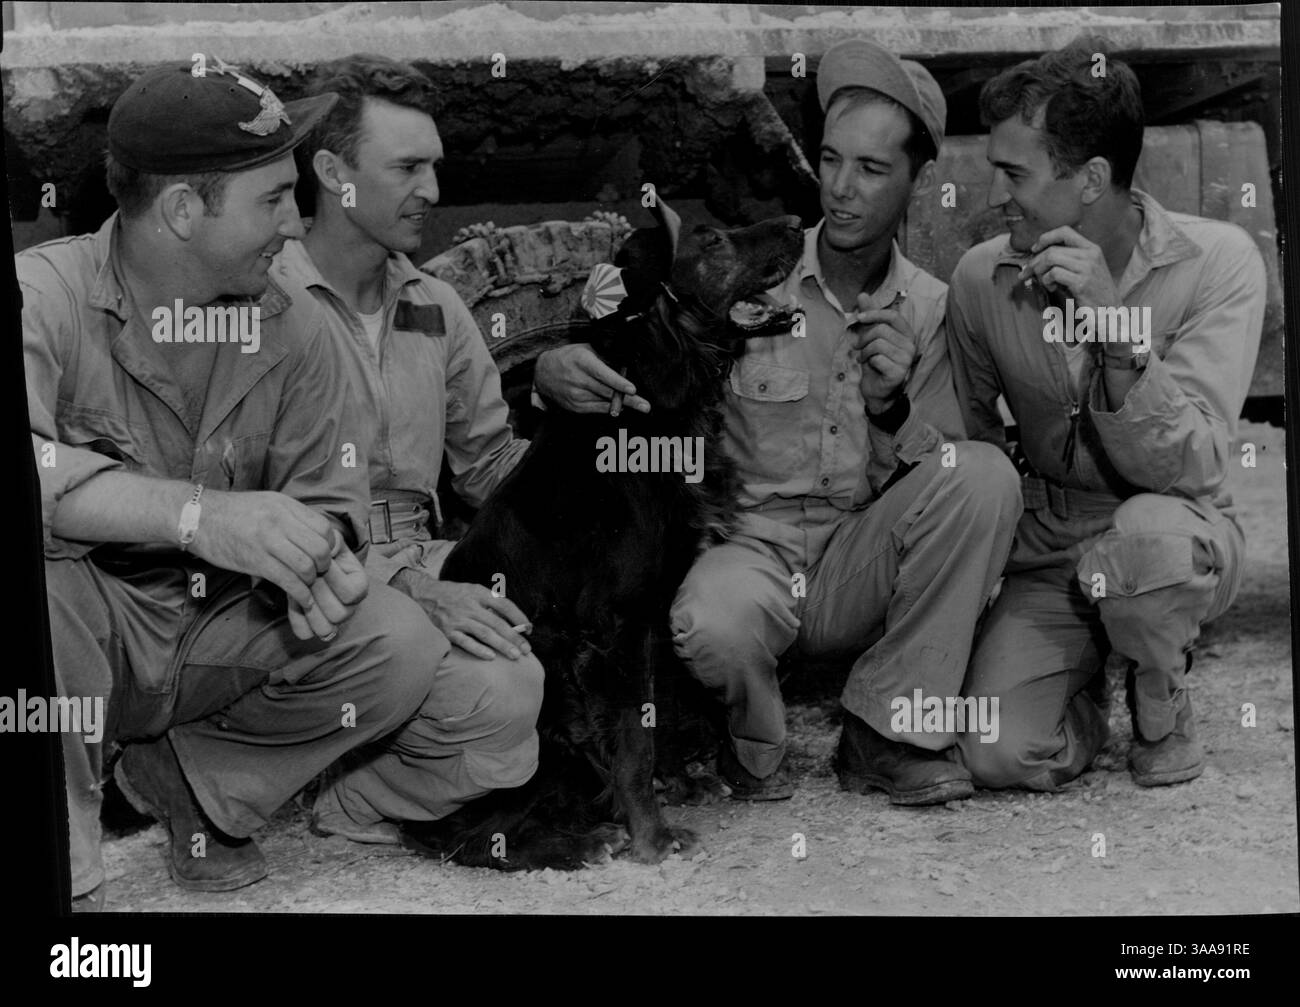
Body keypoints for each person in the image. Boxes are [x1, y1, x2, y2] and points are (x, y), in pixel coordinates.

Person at [537, 39, 1021, 806]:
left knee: (986, 476)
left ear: (917, 180)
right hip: (752, 556)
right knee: (712, 619)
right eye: (830, 160)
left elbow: (947, 486)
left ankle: (885, 730)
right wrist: (551, 369)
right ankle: (750, 739)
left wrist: (892, 405)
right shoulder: (752, 270)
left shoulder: (931, 309)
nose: (840, 190)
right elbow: (638, 349)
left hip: (859, 560)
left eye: (870, 169)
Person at [24, 58, 453, 909]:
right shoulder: (46, 297)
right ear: (183, 210)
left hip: (217, 626)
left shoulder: (293, 326)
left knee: (398, 641)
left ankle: (190, 776)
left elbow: (332, 499)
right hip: (89, 627)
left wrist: (312, 556)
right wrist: (199, 515)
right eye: (272, 200)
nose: (296, 227)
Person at [946, 39, 1265, 790]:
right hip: (1051, 544)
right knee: (998, 751)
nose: (1000, 193)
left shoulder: (1218, 263)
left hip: (1167, 521)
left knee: (1146, 549)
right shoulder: (981, 278)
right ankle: (1079, 682)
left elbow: (1190, 463)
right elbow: (968, 447)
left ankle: (1158, 694)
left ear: (1090, 179)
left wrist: (1116, 334)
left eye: (1015, 173)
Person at [275, 55, 544, 843]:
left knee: (542, 660)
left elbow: (491, 465)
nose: (431, 189)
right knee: (501, 687)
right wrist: (417, 591)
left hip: (424, 553)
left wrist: (582, 440)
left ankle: (349, 791)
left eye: (435, 166)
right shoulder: (265, 306)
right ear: (332, 172)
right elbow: (260, 506)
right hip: (299, 579)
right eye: (407, 167)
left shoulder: (436, 305)